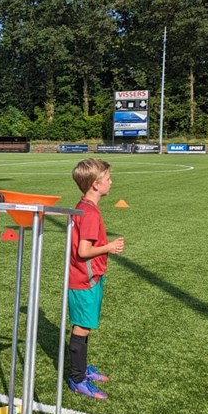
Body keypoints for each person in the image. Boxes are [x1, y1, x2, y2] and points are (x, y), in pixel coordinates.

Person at [66, 158, 125, 400]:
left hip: (88, 277)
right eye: (108, 178)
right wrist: (109, 247)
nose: (111, 182)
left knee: (85, 326)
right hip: (84, 279)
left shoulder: (85, 206)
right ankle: (77, 378)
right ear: (95, 184)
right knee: (81, 327)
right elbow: (83, 251)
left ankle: (82, 371)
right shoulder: (89, 213)